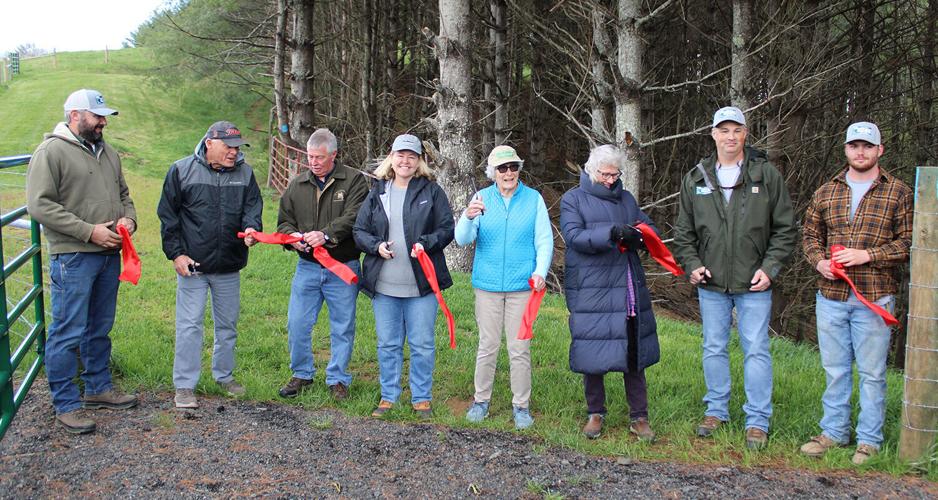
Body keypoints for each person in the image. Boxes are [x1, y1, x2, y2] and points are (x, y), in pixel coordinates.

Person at [672, 106, 796, 450]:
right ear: (713, 134)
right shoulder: (696, 178)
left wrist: (770, 268)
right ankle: (716, 411)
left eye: (736, 130)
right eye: (723, 130)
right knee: (713, 347)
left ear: (745, 134)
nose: (730, 137)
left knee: (756, 349)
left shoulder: (765, 175)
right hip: (711, 282)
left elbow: (785, 229)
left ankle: (757, 421)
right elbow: (683, 232)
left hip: (754, 282)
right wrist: (692, 264)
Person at [799, 122, 912, 465]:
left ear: (880, 150)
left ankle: (869, 440)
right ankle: (834, 432)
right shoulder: (826, 192)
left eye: (867, 146)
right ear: (846, 149)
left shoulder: (898, 192)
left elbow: (908, 243)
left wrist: (868, 255)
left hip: (874, 298)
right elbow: (809, 237)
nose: (860, 152)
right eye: (854, 146)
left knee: (872, 373)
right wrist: (820, 263)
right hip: (831, 298)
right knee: (835, 369)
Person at [26, 89, 138, 434]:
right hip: (73, 256)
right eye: (97, 115)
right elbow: (40, 205)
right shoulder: (50, 152)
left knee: (99, 326)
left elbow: (124, 195)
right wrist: (89, 232)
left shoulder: (108, 152)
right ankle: (66, 404)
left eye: (104, 116)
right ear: (75, 115)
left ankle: (97, 389)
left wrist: (129, 220)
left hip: (108, 254)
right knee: (68, 331)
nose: (103, 122)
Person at [157, 121, 263, 409]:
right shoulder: (181, 170)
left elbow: (252, 208)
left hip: (229, 264)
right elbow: (168, 217)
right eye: (228, 147)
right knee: (189, 326)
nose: (234, 152)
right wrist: (176, 254)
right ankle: (185, 386)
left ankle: (224, 376)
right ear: (209, 143)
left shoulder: (245, 173)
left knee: (227, 326)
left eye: (237, 147)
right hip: (192, 266)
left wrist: (252, 228)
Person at [559, 144, 661, 442]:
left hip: (626, 285)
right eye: (605, 174)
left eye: (615, 174)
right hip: (592, 287)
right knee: (593, 350)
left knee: (634, 349)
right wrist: (611, 233)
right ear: (592, 171)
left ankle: (639, 416)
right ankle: (595, 413)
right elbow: (574, 236)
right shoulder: (573, 199)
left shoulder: (627, 199)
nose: (610, 180)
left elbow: (648, 228)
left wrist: (639, 236)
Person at [353, 134, 454, 419]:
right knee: (388, 344)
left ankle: (421, 398)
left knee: (422, 344)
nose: (405, 161)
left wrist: (426, 243)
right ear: (391, 157)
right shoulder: (378, 191)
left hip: (421, 285)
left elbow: (447, 228)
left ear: (419, 161)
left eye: (412, 156)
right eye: (400, 155)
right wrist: (376, 246)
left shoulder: (432, 191)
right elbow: (359, 231)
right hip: (384, 285)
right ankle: (389, 396)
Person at [455, 145, 553, 430]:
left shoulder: (533, 199)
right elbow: (462, 239)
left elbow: (544, 240)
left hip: (522, 286)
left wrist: (540, 272)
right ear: (493, 172)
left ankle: (521, 406)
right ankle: (481, 401)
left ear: (518, 170)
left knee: (519, 348)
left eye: (513, 167)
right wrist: (467, 216)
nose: (508, 173)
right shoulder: (481, 198)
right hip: (487, 286)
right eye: (502, 168)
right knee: (487, 345)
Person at [276, 128, 369, 400]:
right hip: (307, 267)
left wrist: (326, 235)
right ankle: (302, 373)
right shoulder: (297, 184)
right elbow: (284, 221)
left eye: (319, 157)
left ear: (334, 155)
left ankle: (338, 379)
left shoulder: (354, 180)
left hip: (343, 266)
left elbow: (356, 216)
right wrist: (292, 239)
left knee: (342, 326)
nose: (313, 162)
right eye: (310, 157)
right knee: (297, 322)